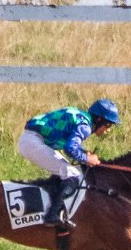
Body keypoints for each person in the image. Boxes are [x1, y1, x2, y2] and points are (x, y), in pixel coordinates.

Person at [18, 98, 120, 229]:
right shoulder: (85, 126)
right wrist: (88, 159)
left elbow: (68, 145)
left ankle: (56, 208)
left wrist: (83, 153)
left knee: (67, 172)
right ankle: (52, 215)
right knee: (72, 175)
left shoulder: (82, 117)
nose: (108, 130)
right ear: (99, 119)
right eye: (108, 125)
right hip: (33, 142)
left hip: (32, 139)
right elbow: (69, 148)